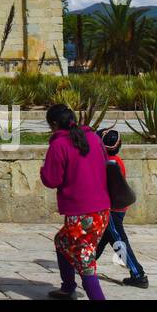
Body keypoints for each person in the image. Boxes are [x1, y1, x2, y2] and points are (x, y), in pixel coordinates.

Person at [39, 104, 111, 300]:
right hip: (102, 210)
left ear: (54, 124)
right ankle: (67, 286)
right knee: (62, 241)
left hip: (81, 214)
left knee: (85, 261)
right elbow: (105, 162)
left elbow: (51, 180)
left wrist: (42, 170)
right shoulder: (93, 137)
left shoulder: (59, 145)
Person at [94, 128, 148, 288]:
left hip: (112, 210)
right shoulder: (116, 161)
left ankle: (138, 274)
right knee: (103, 238)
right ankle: (84, 264)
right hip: (114, 208)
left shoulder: (109, 164)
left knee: (119, 241)